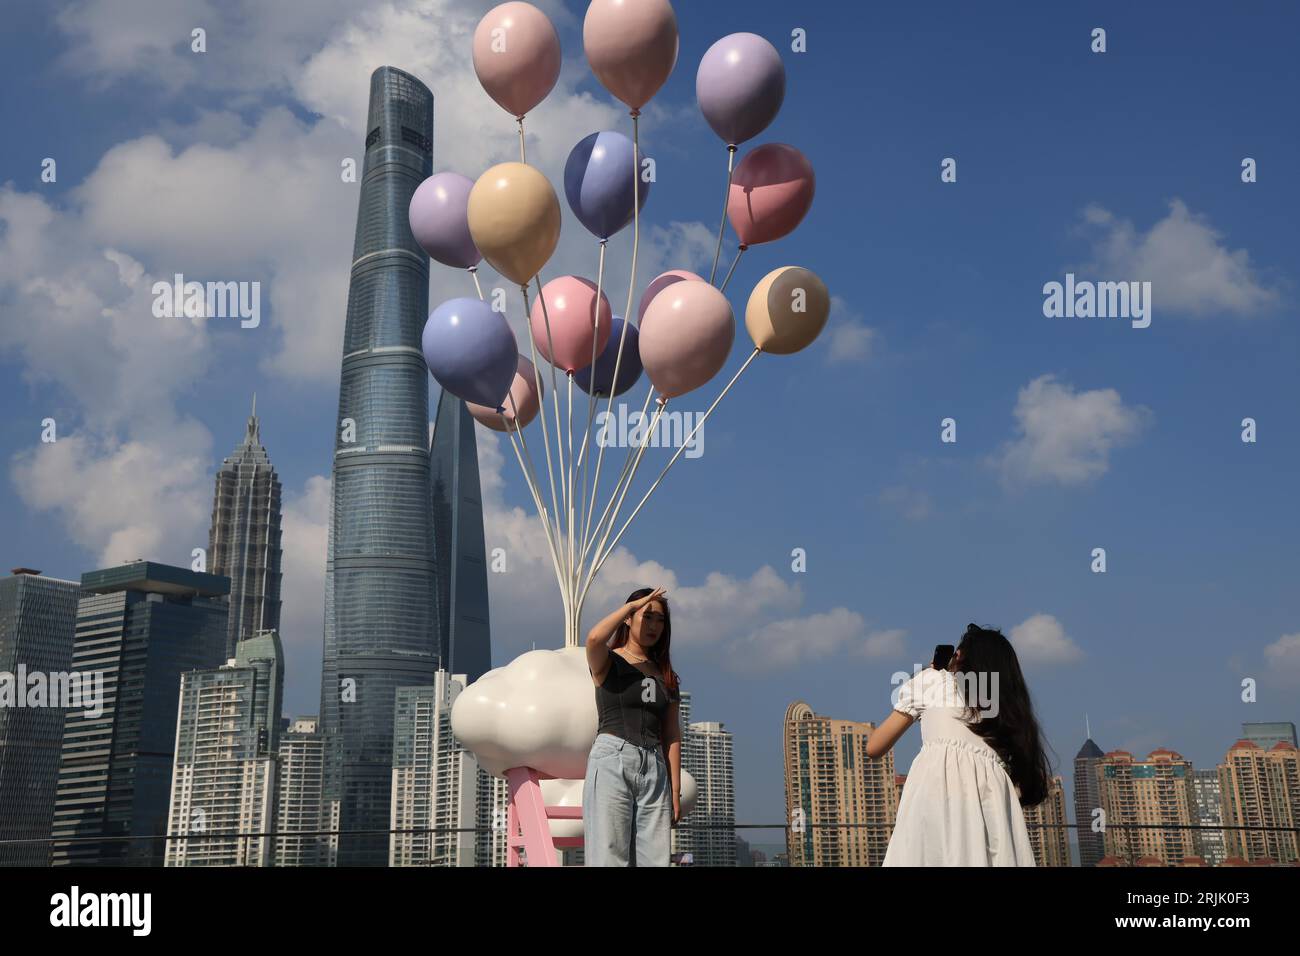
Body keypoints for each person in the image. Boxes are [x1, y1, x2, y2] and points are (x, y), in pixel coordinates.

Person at [867, 623, 1052, 866]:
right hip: (991, 816)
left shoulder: (933, 681)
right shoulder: (1007, 716)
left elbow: (874, 746)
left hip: (937, 802)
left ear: (959, 657)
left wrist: (929, 672)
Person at [583, 586, 682, 866]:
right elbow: (593, 637)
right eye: (646, 616)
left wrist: (675, 791)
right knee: (609, 855)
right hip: (613, 758)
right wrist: (630, 606)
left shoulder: (667, 675)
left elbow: (673, 735)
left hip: (655, 768)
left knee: (656, 859)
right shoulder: (609, 661)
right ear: (629, 618)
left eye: (660, 619)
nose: (654, 625)